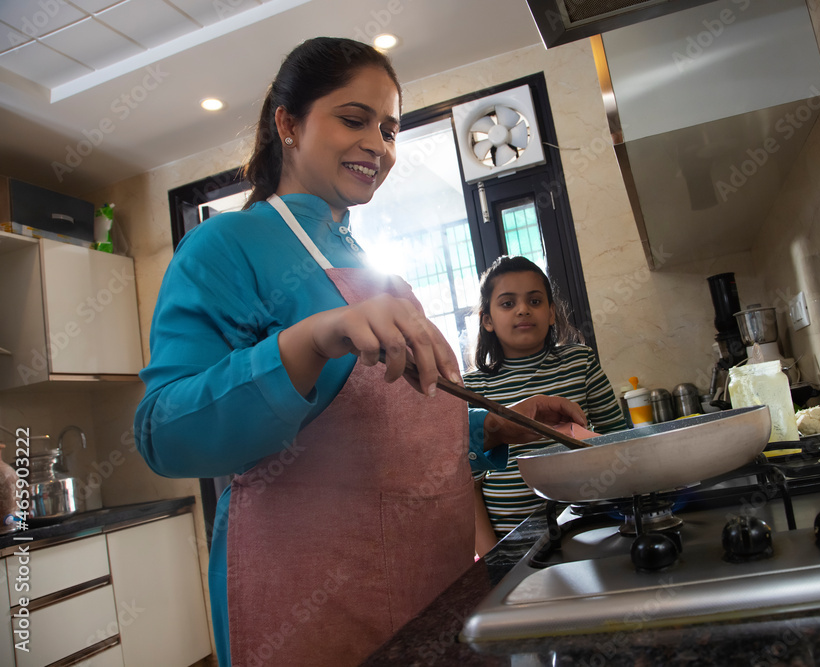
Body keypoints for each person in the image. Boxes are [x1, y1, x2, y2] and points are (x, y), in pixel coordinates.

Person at [133, 38, 585, 667]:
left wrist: (499, 425)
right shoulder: (224, 246)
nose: (378, 143)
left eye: (390, 129)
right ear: (287, 123)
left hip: (435, 587)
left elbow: (400, 432)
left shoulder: (379, 275)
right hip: (310, 608)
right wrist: (309, 341)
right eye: (354, 119)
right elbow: (165, 433)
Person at [463, 256, 628, 554]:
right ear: (487, 319)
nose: (523, 309)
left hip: (592, 531)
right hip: (511, 547)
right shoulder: (472, 389)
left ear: (552, 313)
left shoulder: (581, 362)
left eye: (535, 301)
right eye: (507, 303)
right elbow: (468, 487)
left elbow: (619, 444)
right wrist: (493, 562)